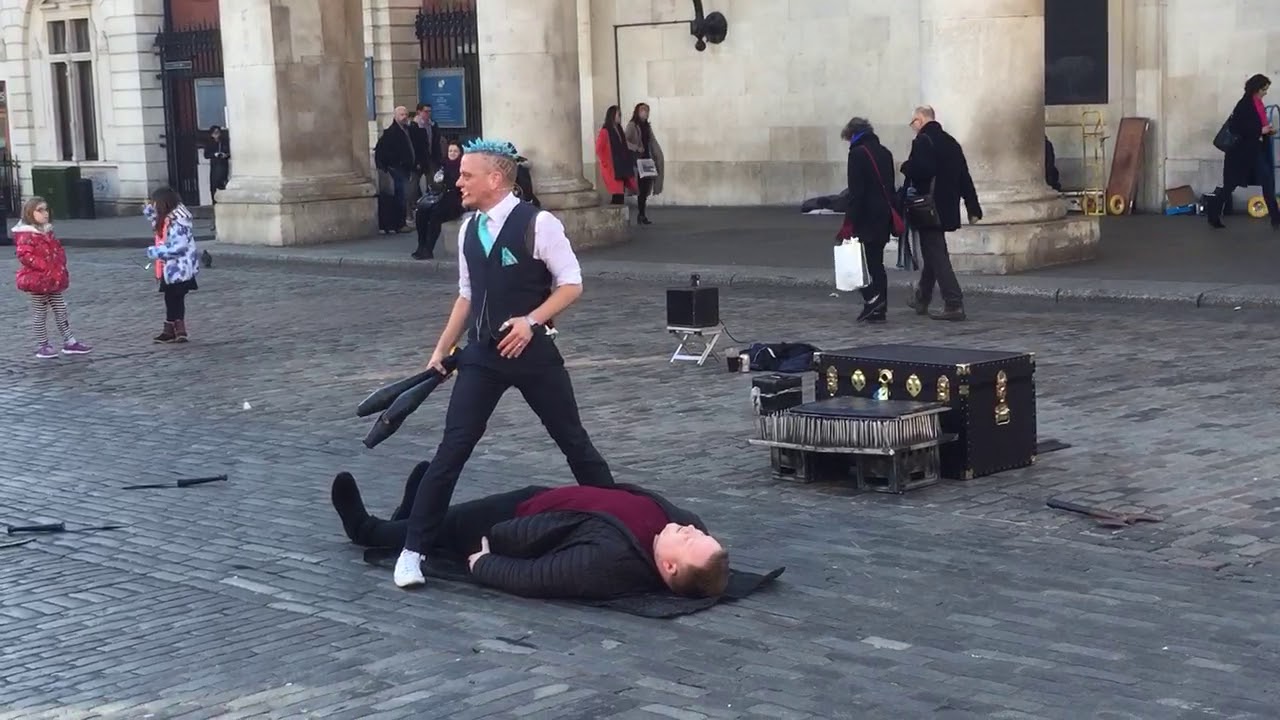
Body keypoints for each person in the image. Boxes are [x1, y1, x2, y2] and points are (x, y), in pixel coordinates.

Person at [393, 138, 616, 589]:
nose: (458, 181)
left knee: (574, 441)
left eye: (467, 175)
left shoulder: (539, 223)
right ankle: (412, 551)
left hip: (534, 355)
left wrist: (532, 321)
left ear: (495, 179)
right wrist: (441, 349)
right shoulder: (467, 230)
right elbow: (467, 295)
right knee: (452, 449)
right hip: (481, 357)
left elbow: (571, 284)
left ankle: (620, 521)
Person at [334, 462, 730, 600]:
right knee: (434, 519)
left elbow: (540, 577)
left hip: (509, 528)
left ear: (669, 568)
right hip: (540, 500)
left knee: (442, 527)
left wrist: (485, 565)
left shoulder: (611, 564)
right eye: (697, 532)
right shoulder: (677, 527)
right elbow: (702, 555)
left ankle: (365, 529)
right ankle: (410, 512)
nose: (691, 528)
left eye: (690, 538)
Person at [900, 105, 982, 322]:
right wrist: (973, 207)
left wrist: (906, 167)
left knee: (936, 253)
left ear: (920, 120)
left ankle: (953, 302)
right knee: (932, 252)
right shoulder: (951, 142)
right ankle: (922, 297)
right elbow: (964, 177)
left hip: (928, 206)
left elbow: (922, 171)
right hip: (946, 206)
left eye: (913, 122)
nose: (913, 127)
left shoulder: (923, 141)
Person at [13, 196, 92, 359]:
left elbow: (57, 249)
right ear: (30, 213)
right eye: (40, 210)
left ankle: (69, 341)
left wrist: (60, 263)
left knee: (61, 309)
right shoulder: (26, 234)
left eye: (46, 209)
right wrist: (44, 267)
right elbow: (25, 255)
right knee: (40, 312)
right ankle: (43, 345)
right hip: (38, 280)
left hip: (52, 278)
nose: (45, 213)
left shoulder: (47, 231)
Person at [838, 116, 896, 324]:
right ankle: (880, 307)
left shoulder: (857, 154)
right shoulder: (885, 152)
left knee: (860, 264)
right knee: (876, 263)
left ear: (852, 134)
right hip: (884, 215)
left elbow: (856, 193)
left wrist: (848, 223)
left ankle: (872, 300)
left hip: (866, 216)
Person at [1208, 74, 1279, 230]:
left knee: (1267, 180)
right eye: (1264, 89)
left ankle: (1276, 217)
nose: (1265, 92)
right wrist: (1261, 130)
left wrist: (1266, 131)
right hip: (1240, 153)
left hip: (1254, 151)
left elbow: (1255, 126)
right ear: (1256, 89)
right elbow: (1239, 128)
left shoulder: (1257, 103)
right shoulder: (1244, 105)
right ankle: (1213, 213)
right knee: (1230, 186)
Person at [144, 186, 200, 343]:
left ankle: (174, 329)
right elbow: (154, 220)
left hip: (178, 267)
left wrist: (155, 252)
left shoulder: (178, 221)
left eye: (156, 202)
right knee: (172, 297)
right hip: (171, 267)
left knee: (174, 297)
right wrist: (149, 208)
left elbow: (178, 247)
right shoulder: (168, 217)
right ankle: (176, 328)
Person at [412, 141, 465, 260]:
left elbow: (458, 186)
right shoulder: (443, 165)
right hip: (441, 197)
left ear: (460, 153)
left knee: (435, 215)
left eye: (455, 151)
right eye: (450, 151)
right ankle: (421, 246)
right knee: (421, 212)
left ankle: (428, 249)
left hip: (456, 200)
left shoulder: (462, 166)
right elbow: (435, 184)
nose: (452, 153)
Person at [624, 103, 664, 225]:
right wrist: (636, 148)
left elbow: (652, 142)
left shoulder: (647, 126)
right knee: (641, 188)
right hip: (638, 161)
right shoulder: (632, 125)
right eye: (643, 111)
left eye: (647, 111)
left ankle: (642, 214)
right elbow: (625, 141)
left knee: (646, 188)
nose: (645, 113)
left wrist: (657, 156)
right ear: (638, 112)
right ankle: (641, 215)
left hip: (647, 160)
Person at [594, 105, 636, 205]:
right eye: (618, 114)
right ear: (612, 115)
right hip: (612, 166)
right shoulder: (605, 131)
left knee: (620, 193)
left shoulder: (619, 130)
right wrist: (606, 161)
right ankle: (615, 212)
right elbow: (599, 149)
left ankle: (617, 211)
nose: (620, 116)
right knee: (617, 193)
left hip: (621, 165)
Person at [203, 125, 231, 203]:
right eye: (214, 133)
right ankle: (214, 201)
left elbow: (229, 152)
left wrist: (225, 155)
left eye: (218, 132)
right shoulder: (209, 143)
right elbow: (206, 155)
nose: (216, 134)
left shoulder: (224, 142)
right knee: (214, 184)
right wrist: (214, 154)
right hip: (215, 165)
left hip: (223, 164)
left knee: (223, 182)